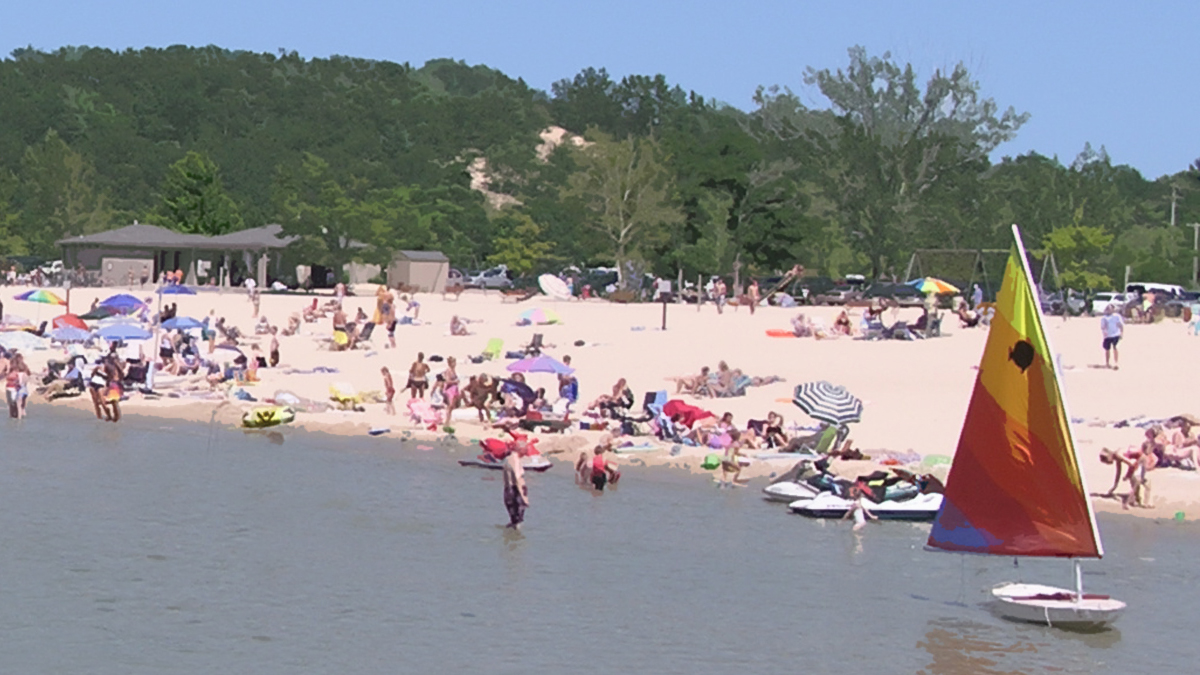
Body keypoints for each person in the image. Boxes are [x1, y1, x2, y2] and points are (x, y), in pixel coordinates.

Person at [502, 441, 529, 529]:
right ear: (521, 449)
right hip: (515, 491)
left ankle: (509, 535)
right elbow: (518, 478)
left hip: (507, 491)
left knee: (513, 520)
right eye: (526, 449)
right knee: (518, 521)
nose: (527, 452)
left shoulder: (507, 459)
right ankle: (516, 536)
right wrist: (524, 497)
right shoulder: (515, 460)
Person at [1100, 304, 1124, 369]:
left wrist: (1121, 333)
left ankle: (1116, 363)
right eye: (1108, 308)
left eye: (1110, 309)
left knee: (1115, 348)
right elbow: (1102, 327)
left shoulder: (1117, 316)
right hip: (1107, 335)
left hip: (1116, 334)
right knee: (1107, 349)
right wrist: (1104, 332)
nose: (1109, 310)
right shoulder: (1104, 318)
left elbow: (1120, 325)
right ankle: (1107, 363)